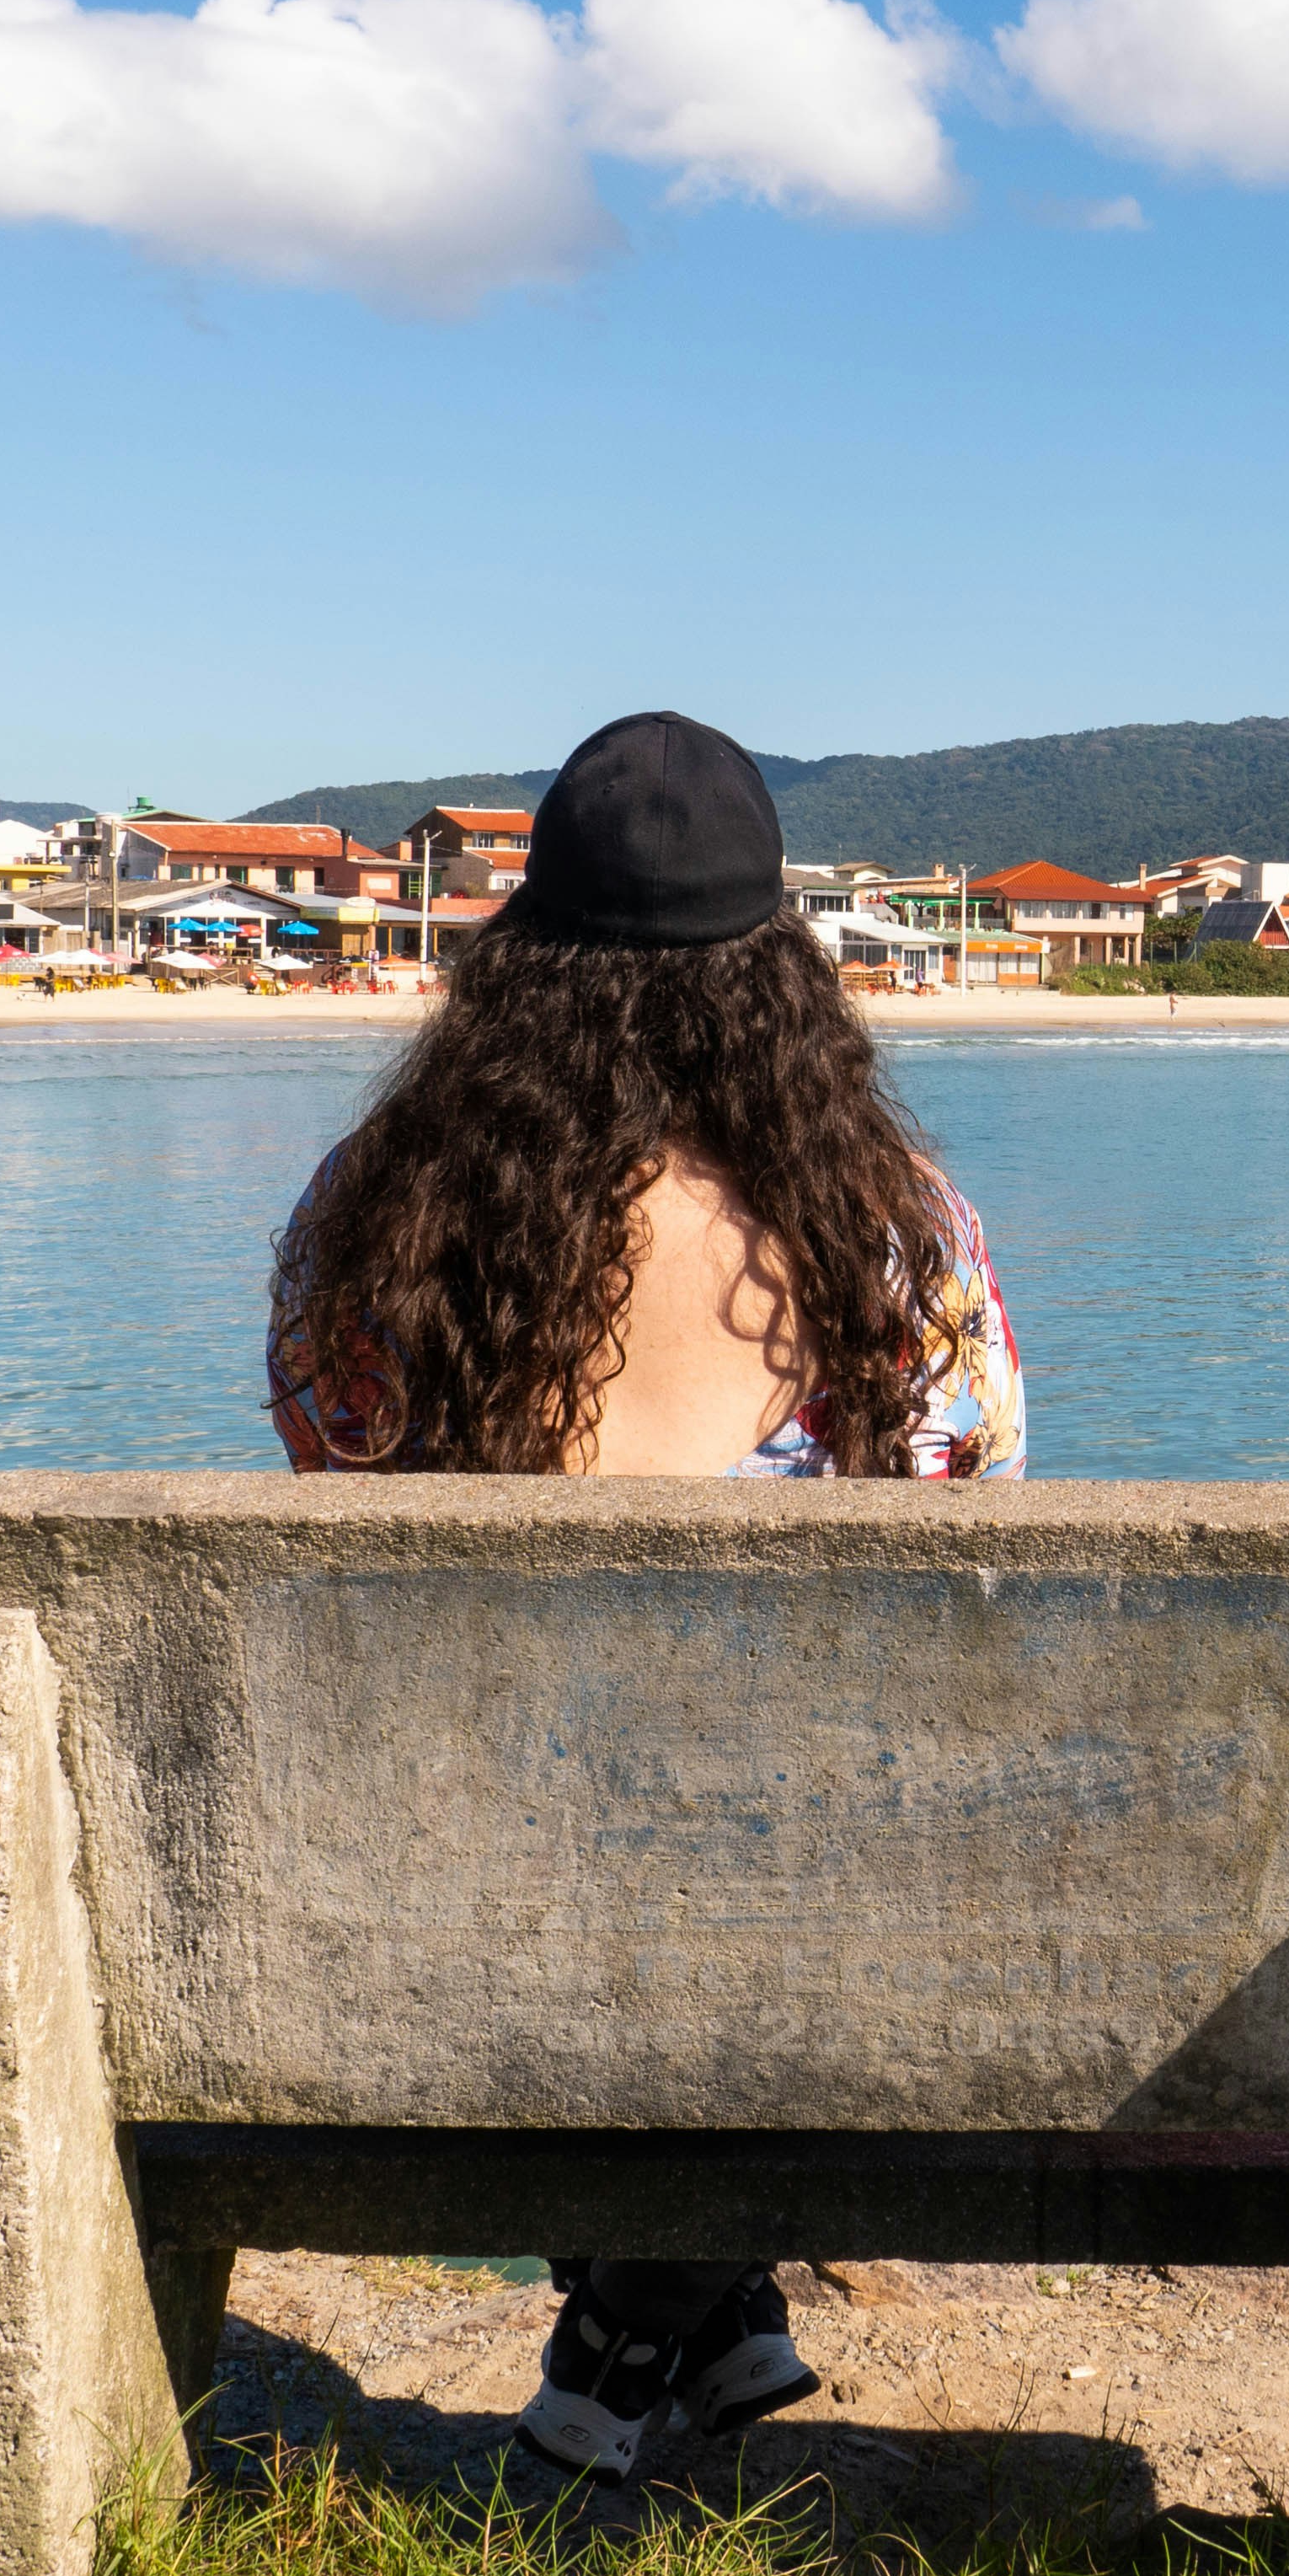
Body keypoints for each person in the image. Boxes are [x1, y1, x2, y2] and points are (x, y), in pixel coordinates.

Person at [265, 710, 1024, 2483]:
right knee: (785, 1821)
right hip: (809, 1925)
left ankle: (666, 2306)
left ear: (520, 967)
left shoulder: (364, 1224)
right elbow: (970, 1531)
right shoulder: (900, 1234)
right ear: (785, 979)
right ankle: (663, 2314)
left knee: (563, 1808)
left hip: (460, 1908)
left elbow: (331, 1482)